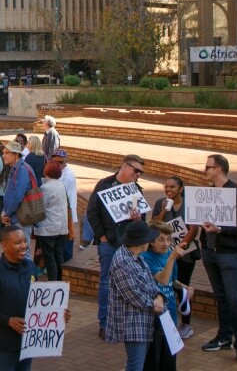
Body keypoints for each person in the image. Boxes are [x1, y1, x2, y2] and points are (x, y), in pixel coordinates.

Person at [0, 225, 71, 371]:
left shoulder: (30, 266)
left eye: (24, 241)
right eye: (17, 243)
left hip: (27, 344)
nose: (24, 246)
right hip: (2, 348)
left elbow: (37, 301)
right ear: (4, 245)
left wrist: (57, 314)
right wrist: (9, 321)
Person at [199, 154, 237, 368]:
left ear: (219, 170)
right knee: (221, 297)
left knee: (234, 299)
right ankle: (224, 337)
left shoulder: (236, 194)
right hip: (209, 252)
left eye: (208, 167)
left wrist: (220, 229)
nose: (205, 170)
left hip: (228, 254)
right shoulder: (209, 193)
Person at [87, 153, 147, 339]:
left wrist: (138, 219)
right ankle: (104, 323)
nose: (138, 175)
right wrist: (102, 236)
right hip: (109, 244)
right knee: (106, 282)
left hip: (130, 245)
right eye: (136, 171)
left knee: (131, 282)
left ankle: (124, 320)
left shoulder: (137, 189)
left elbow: (143, 218)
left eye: (140, 172)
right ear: (125, 166)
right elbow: (92, 212)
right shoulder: (104, 184)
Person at [104, 220, 166, 371]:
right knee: (135, 365)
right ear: (141, 242)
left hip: (143, 319)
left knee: (137, 363)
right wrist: (155, 304)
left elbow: (151, 282)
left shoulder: (137, 256)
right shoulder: (122, 261)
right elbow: (133, 295)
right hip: (132, 321)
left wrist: (158, 296)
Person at [140, 222, 194, 371]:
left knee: (169, 362)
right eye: (161, 240)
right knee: (153, 361)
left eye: (168, 240)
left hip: (170, 316)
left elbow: (171, 281)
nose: (166, 244)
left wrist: (185, 287)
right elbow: (162, 279)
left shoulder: (169, 255)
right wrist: (172, 258)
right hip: (154, 319)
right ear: (151, 241)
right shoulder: (145, 258)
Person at [151, 175, 199, 339]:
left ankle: (186, 323)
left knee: (182, 287)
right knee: (165, 284)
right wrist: (164, 210)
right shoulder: (160, 203)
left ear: (181, 189)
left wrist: (180, 247)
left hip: (185, 253)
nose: (168, 190)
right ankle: (166, 320)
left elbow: (194, 229)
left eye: (172, 187)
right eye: (166, 187)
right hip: (165, 253)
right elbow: (154, 224)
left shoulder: (189, 204)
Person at [0, 141, 36, 261]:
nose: (3, 155)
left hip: (22, 217)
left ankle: (29, 279)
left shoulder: (22, 170)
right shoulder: (15, 169)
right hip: (16, 216)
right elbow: (10, 193)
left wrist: (7, 213)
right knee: (18, 252)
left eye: (7, 153)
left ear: (16, 155)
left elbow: (17, 196)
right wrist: (5, 211)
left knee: (23, 252)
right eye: (3, 153)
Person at [34, 161, 70, 281]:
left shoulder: (46, 187)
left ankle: (53, 282)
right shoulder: (61, 185)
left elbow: (41, 207)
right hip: (61, 227)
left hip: (48, 228)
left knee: (49, 257)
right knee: (58, 255)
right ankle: (59, 281)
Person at [51, 149, 78, 262]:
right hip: (61, 213)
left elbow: (57, 193)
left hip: (67, 214)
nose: (58, 165)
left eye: (60, 162)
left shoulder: (67, 175)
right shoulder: (60, 172)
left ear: (65, 161)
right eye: (55, 162)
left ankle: (66, 267)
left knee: (66, 245)